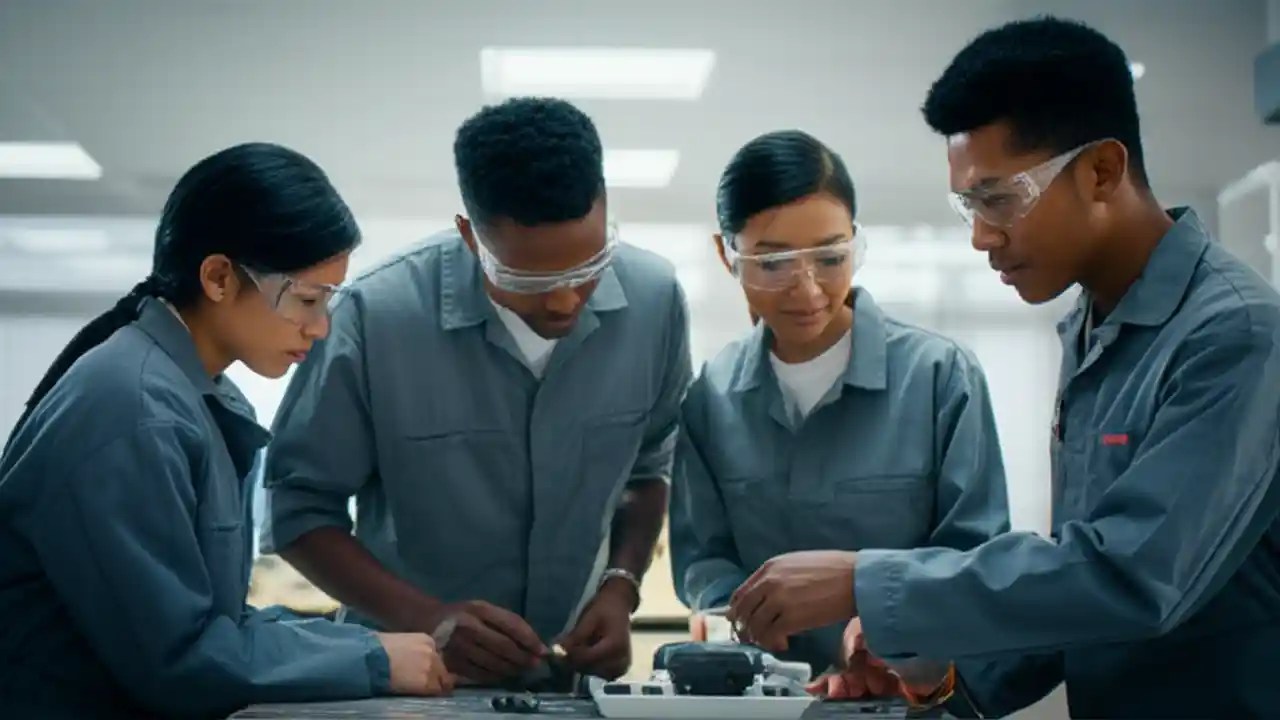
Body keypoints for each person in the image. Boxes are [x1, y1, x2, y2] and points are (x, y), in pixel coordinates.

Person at [723, 16, 1280, 719]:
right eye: (967, 206)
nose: (983, 236)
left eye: (999, 199)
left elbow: (1133, 577)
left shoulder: (1236, 333)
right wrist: (938, 668)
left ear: (1102, 170)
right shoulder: (1094, 326)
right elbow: (1076, 580)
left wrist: (867, 581)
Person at [0, 143, 451, 720]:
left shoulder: (199, 397)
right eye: (307, 299)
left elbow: (219, 623)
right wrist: (373, 659)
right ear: (217, 277)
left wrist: (371, 644)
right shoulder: (133, 409)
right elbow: (177, 658)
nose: (319, 328)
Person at [259, 97, 692, 688]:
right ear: (469, 235)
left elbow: (648, 467)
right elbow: (298, 509)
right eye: (528, 280)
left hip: (565, 687)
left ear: (606, 207)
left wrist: (622, 585)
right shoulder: (374, 319)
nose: (564, 300)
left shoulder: (656, 301)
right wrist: (427, 618)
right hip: (410, 683)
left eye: (588, 267)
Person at [667, 130, 1010, 683]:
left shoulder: (939, 376)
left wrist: (889, 636)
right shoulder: (712, 395)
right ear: (725, 255)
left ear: (855, 241)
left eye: (830, 258)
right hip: (766, 699)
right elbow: (705, 559)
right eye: (773, 264)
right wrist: (750, 628)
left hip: (908, 695)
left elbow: (976, 560)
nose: (808, 292)